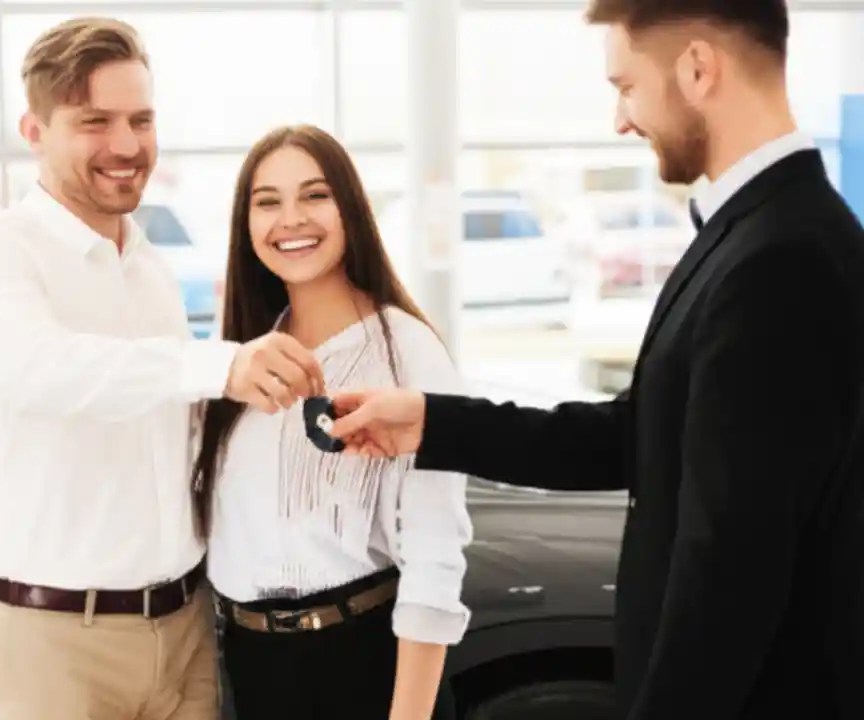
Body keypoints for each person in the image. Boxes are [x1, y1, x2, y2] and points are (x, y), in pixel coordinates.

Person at [326, 2, 864, 719]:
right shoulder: (759, 233)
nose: (620, 119)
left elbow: (731, 572)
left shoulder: (780, 260)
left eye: (626, 86)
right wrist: (431, 422)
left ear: (699, 69)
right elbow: (636, 436)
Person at [0, 17, 326, 720]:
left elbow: (173, 425)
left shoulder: (145, 263)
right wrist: (224, 365)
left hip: (181, 631)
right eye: (95, 121)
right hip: (53, 643)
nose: (126, 145)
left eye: (141, 120)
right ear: (34, 131)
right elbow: (46, 371)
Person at [192, 124, 471, 720]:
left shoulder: (406, 351)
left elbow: (435, 553)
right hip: (253, 668)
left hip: (361, 668)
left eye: (315, 195)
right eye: (267, 202)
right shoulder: (245, 362)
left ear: (351, 210)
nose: (291, 219)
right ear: (246, 226)